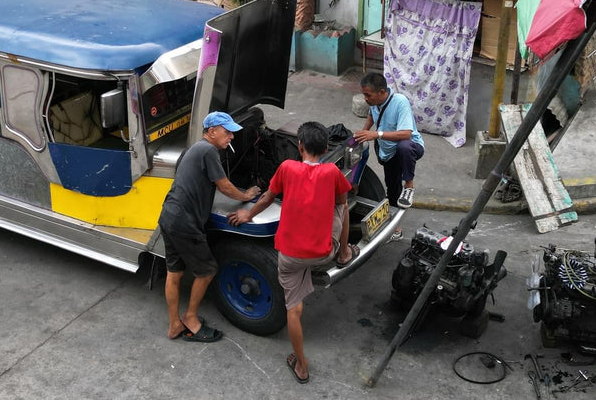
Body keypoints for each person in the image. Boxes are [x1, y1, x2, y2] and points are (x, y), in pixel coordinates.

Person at [227, 121, 356, 384]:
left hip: (289, 256)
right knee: (342, 207)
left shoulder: (286, 167)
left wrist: (247, 214)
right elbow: (342, 203)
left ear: (299, 146)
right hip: (322, 254)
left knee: (293, 310)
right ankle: (344, 254)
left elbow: (267, 197)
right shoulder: (332, 172)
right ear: (325, 148)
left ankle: (301, 365)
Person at [159, 111, 260, 343]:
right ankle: (190, 318)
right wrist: (246, 195)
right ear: (212, 131)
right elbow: (224, 186)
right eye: (227, 132)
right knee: (207, 271)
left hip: (169, 216)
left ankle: (174, 325)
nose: (231, 137)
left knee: (174, 273)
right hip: (185, 223)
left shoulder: (193, 149)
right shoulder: (208, 151)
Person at [353, 73, 424, 240]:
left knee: (404, 146)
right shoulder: (375, 103)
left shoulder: (400, 102)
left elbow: (406, 134)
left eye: (368, 95)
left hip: (410, 148)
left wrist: (375, 134)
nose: (365, 99)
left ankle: (409, 185)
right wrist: (363, 133)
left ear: (381, 92)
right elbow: (372, 115)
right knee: (392, 190)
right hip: (388, 152)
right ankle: (396, 230)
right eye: (364, 95)